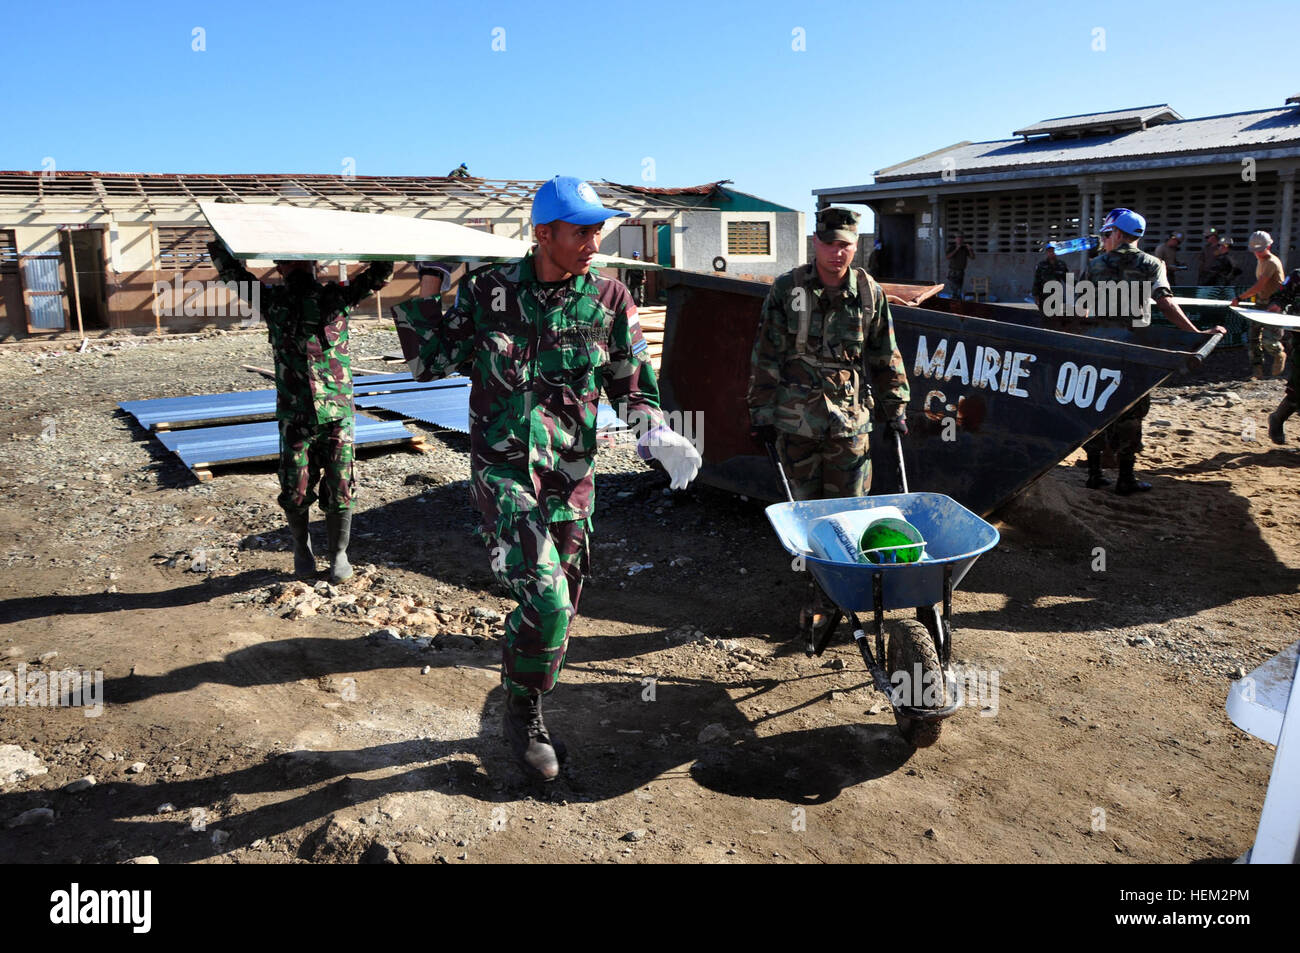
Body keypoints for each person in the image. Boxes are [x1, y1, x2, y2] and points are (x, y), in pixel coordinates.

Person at [391, 176, 701, 781]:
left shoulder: (609, 298)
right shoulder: (489, 292)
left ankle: (527, 685)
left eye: (597, 228)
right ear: (543, 233)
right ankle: (524, 709)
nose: (594, 239)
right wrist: (433, 282)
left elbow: (629, 377)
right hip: (504, 473)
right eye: (582, 229)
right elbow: (426, 363)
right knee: (548, 596)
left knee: (562, 609)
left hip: (573, 478)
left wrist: (652, 427)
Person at [748, 206, 910, 642]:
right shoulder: (787, 290)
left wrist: (895, 407)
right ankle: (816, 602)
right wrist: (761, 412)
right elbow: (766, 355)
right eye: (830, 243)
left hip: (850, 427)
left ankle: (849, 599)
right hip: (796, 424)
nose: (838, 253)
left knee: (850, 517)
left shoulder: (869, 292)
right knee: (805, 521)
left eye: (846, 245)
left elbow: (885, 354)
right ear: (816, 243)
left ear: (855, 248)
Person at [208, 242, 391, 583]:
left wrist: (373, 240)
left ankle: (338, 554)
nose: (296, 266)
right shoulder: (272, 301)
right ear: (279, 267)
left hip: (337, 415)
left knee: (340, 487)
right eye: (288, 261)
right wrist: (221, 238)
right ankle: (301, 548)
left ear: (315, 264)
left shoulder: (338, 298)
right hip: (296, 415)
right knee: (294, 489)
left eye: (301, 259)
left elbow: (381, 273)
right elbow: (233, 275)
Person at [1079, 209, 1224, 495]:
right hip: (1133, 349)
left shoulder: (1095, 265)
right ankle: (1125, 478)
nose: (1105, 239)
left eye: (1108, 234)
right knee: (1131, 411)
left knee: (1095, 406)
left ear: (1118, 234)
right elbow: (1166, 303)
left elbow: (1082, 309)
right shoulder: (1152, 264)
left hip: (1098, 347)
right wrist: (1195, 334)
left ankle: (1094, 473)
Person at [1232, 231, 1288, 378]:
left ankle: (1279, 354)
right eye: (1256, 251)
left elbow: (1259, 286)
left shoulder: (1271, 262)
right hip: (1260, 303)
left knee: (1270, 340)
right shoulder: (1260, 260)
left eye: (1260, 250)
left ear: (1268, 246)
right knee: (1253, 338)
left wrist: (1240, 298)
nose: (1258, 253)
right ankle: (1257, 371)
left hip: (1274, 304)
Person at [1265, 268, 1300, 442]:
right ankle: (1277, 419)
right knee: (1298, 388)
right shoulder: (1297, 277)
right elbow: (1279, 296)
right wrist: (1276, 306)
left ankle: (1278, 418)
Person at [1032, 243, 1068, 314]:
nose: (1051, 253)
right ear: (1047, 253)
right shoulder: (1041, 265)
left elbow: (1068, 279)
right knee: (1043, 316)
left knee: (1055, 317)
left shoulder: (1061, 265)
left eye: (1053, 251)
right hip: (1044, 296)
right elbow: (1037, 280)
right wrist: (1036, 295)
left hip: (1056, 296)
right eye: (1049, 251)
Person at [945, 232, 974, 299]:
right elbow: (948, 257)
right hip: (952, 271)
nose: (959, 240)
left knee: (959, 289)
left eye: (961, 238)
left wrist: (970, 250)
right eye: (958, 238)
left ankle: (957, 300)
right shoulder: (952, 247)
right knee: (953, 289)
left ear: (963, 239)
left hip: (960, 271)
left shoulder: (965, 248)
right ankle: (954, 300)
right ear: (955, 239)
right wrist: (956, 249)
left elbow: (972, 257)